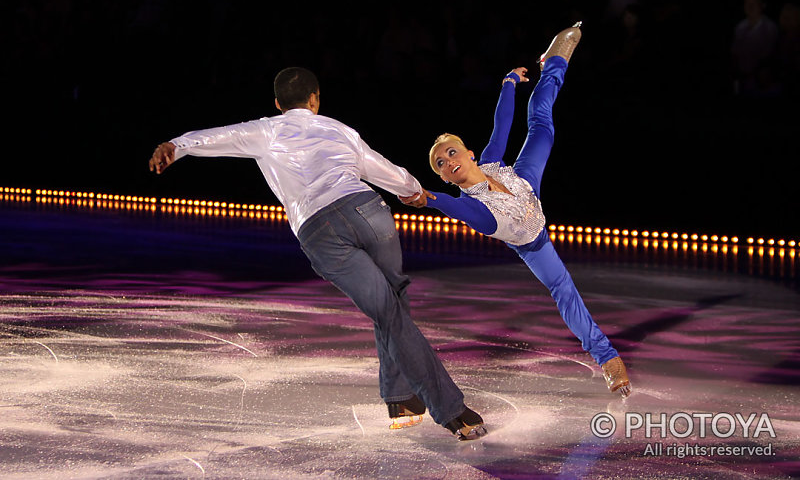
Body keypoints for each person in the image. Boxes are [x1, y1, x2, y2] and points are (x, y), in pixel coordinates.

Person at [148, 67, 486, 440]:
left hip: (320, 231)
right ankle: (403, 397)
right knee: (393, 304)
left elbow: (222, 136)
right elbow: (379, 167)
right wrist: (412, 190)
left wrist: (177, 146)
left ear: (278, 104)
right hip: (368, 212)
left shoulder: (267, 130)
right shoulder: (339, 129)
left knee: (388, 311)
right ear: (315, 99)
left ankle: (446, 409)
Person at [406, 24, 632, 398]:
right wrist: (424, 197)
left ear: (468, 154)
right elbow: (446, 204)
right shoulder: (471, 207)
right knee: (563, 288)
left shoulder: (492, 161)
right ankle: (607, 357)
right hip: (532, 240)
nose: (448, 161)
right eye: (440, 164)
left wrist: (508, 83)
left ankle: (553, 64)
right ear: (445, 178)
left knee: (541, 123)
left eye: (451, 152)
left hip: (525, 183)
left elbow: (502, 123)